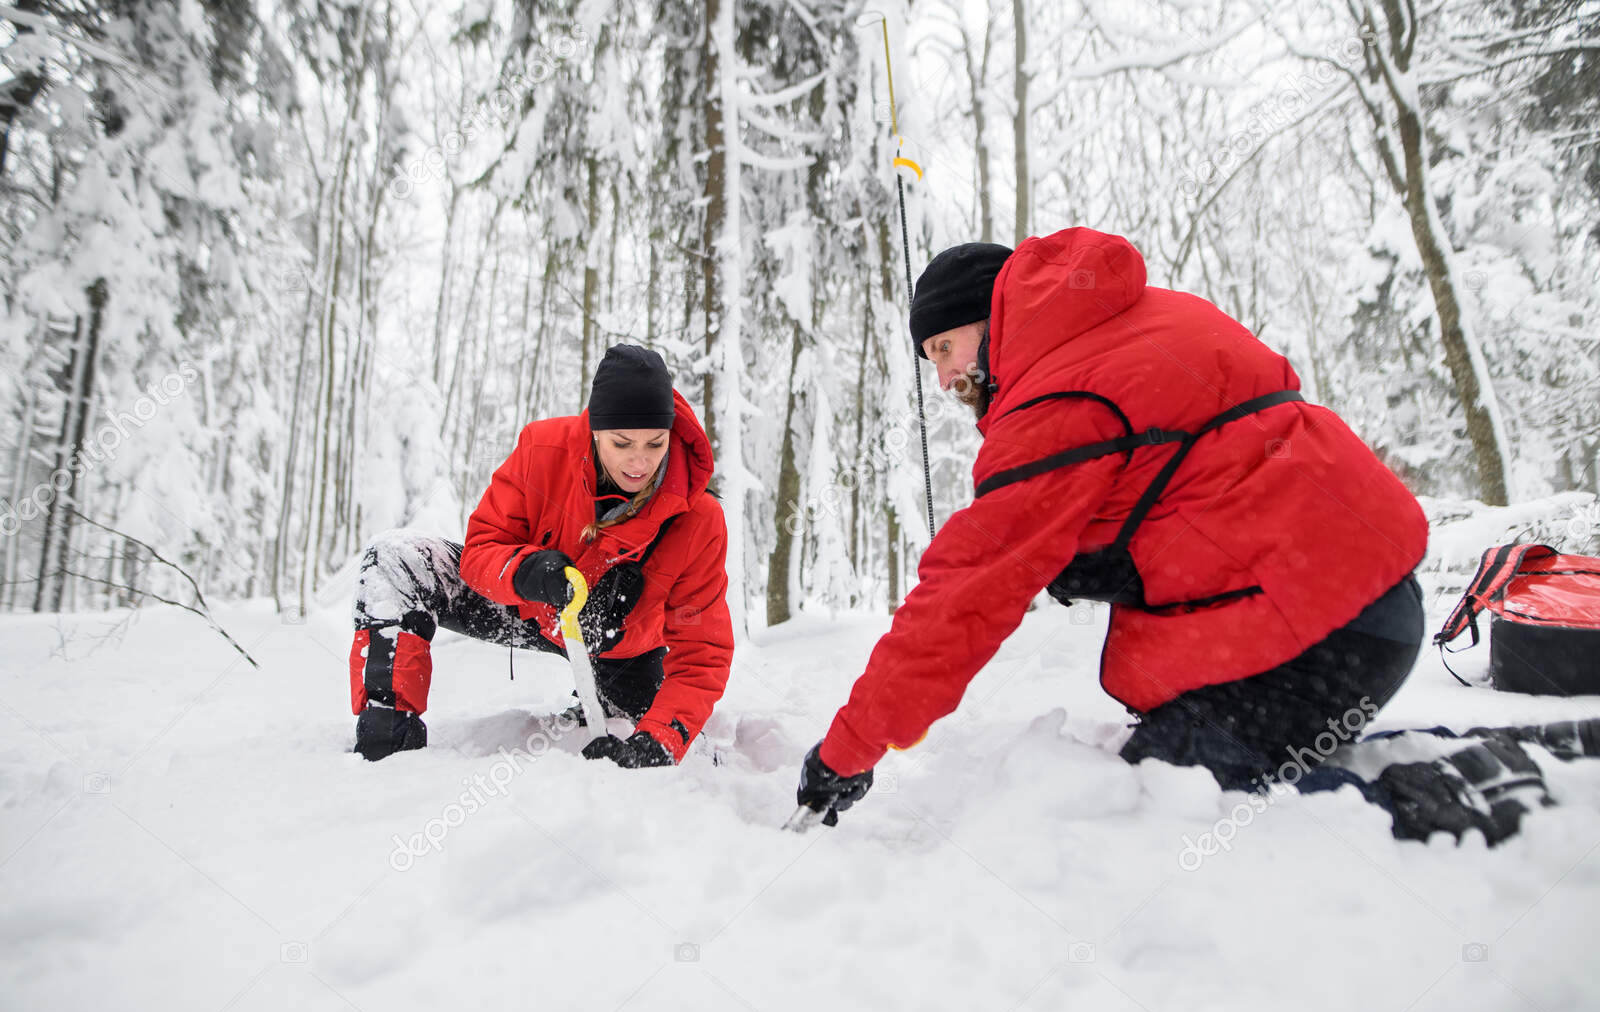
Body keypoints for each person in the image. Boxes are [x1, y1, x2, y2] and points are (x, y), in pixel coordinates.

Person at [797, 226, 1444, 826]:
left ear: (987, 318)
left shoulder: (1056, 397)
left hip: (1324, 632)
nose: (942, 379)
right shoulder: (1120, 326)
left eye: (943, 348)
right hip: (1354, 604)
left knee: (1163, 801)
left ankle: (1429, 809)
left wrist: (847, 749)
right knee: (1175, 761)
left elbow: (962, 599)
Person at [349, 343, 733, 768]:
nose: (640, 461)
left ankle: (614, 709)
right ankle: (387, 745)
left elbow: (702, 652)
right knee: (396, 559)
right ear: (595, 430)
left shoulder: (700, 518)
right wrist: (524, 570)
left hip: (624, 652)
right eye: (622, 443)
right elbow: (480, 550)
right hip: (531, 609)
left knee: (644, 737)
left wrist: (658, 742)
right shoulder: (542, 450)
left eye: (655, 443)